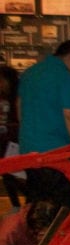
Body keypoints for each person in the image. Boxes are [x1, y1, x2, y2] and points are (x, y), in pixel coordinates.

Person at [18, 40, 70, 209]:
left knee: (36, 201)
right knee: (64, 204)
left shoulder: (30, 73)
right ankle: (58, 235)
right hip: (55, 153)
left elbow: (19, 107)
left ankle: (35, 234)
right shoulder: (65, 78)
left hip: (28, 150)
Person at [0, 65, 23, 211]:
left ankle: (26, 202)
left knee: (18, 173)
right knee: (7, 172)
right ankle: (15, 204)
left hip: (14, 141)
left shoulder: (18, 95)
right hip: (3, 141)